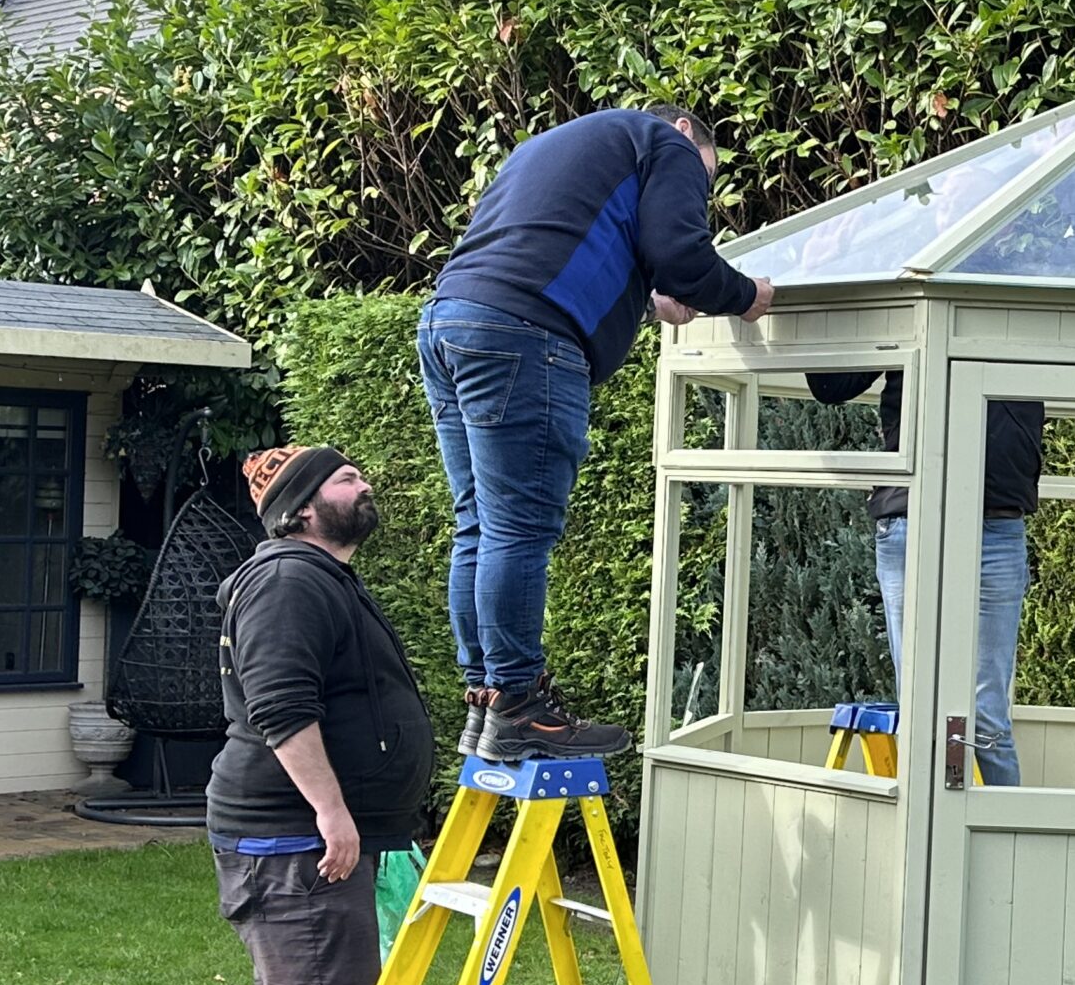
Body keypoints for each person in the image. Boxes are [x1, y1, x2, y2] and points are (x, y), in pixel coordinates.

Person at [424, 105, 773, 760]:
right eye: (707, 178)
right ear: (685, 133)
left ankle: (488, 699)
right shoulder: (664, 143)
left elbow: (572, 243)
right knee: (518, 528)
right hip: (524, 336)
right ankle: (523, 706)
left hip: (451, 321)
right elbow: (683, 254)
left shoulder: (554, 145)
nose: (701, 188)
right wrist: (744, 293)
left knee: (478, 522)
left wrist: (650, 289)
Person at [209, 444, 435, 985]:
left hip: (285, 829)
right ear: (303, 508)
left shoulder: (311, 577)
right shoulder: (288, 580)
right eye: (346, 478)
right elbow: (279, 707)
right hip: (292, 832)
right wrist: (332, 814)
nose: (364, 482)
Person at [807, 371, 1039, 786]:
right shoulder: (902, 320)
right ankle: (921, 841)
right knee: (921, 707)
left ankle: (1005, 845)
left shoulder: (1031, 316)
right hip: (911, 516)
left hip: (996, 523)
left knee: (987, 717)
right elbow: (830, 385)